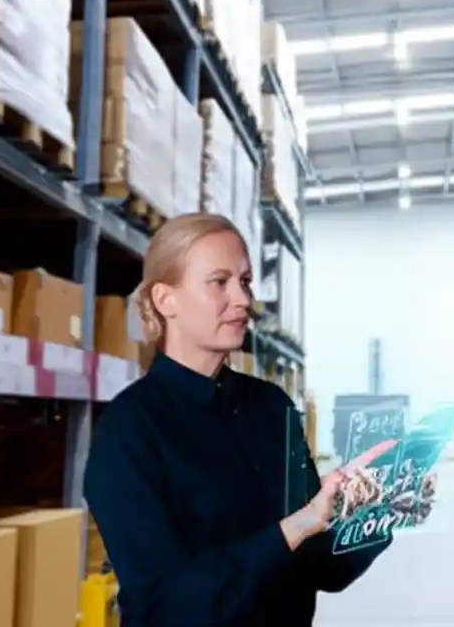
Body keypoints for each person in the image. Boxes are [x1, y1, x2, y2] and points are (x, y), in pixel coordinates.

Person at [84, 214, 391, 626]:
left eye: (245, 281)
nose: (243, 300)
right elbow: (165, 603)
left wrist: (375, 511)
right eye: (219, 282)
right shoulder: (129, 430)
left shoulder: (271, 406)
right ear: (165, 299)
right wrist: (292, 529)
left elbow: (322, 567)